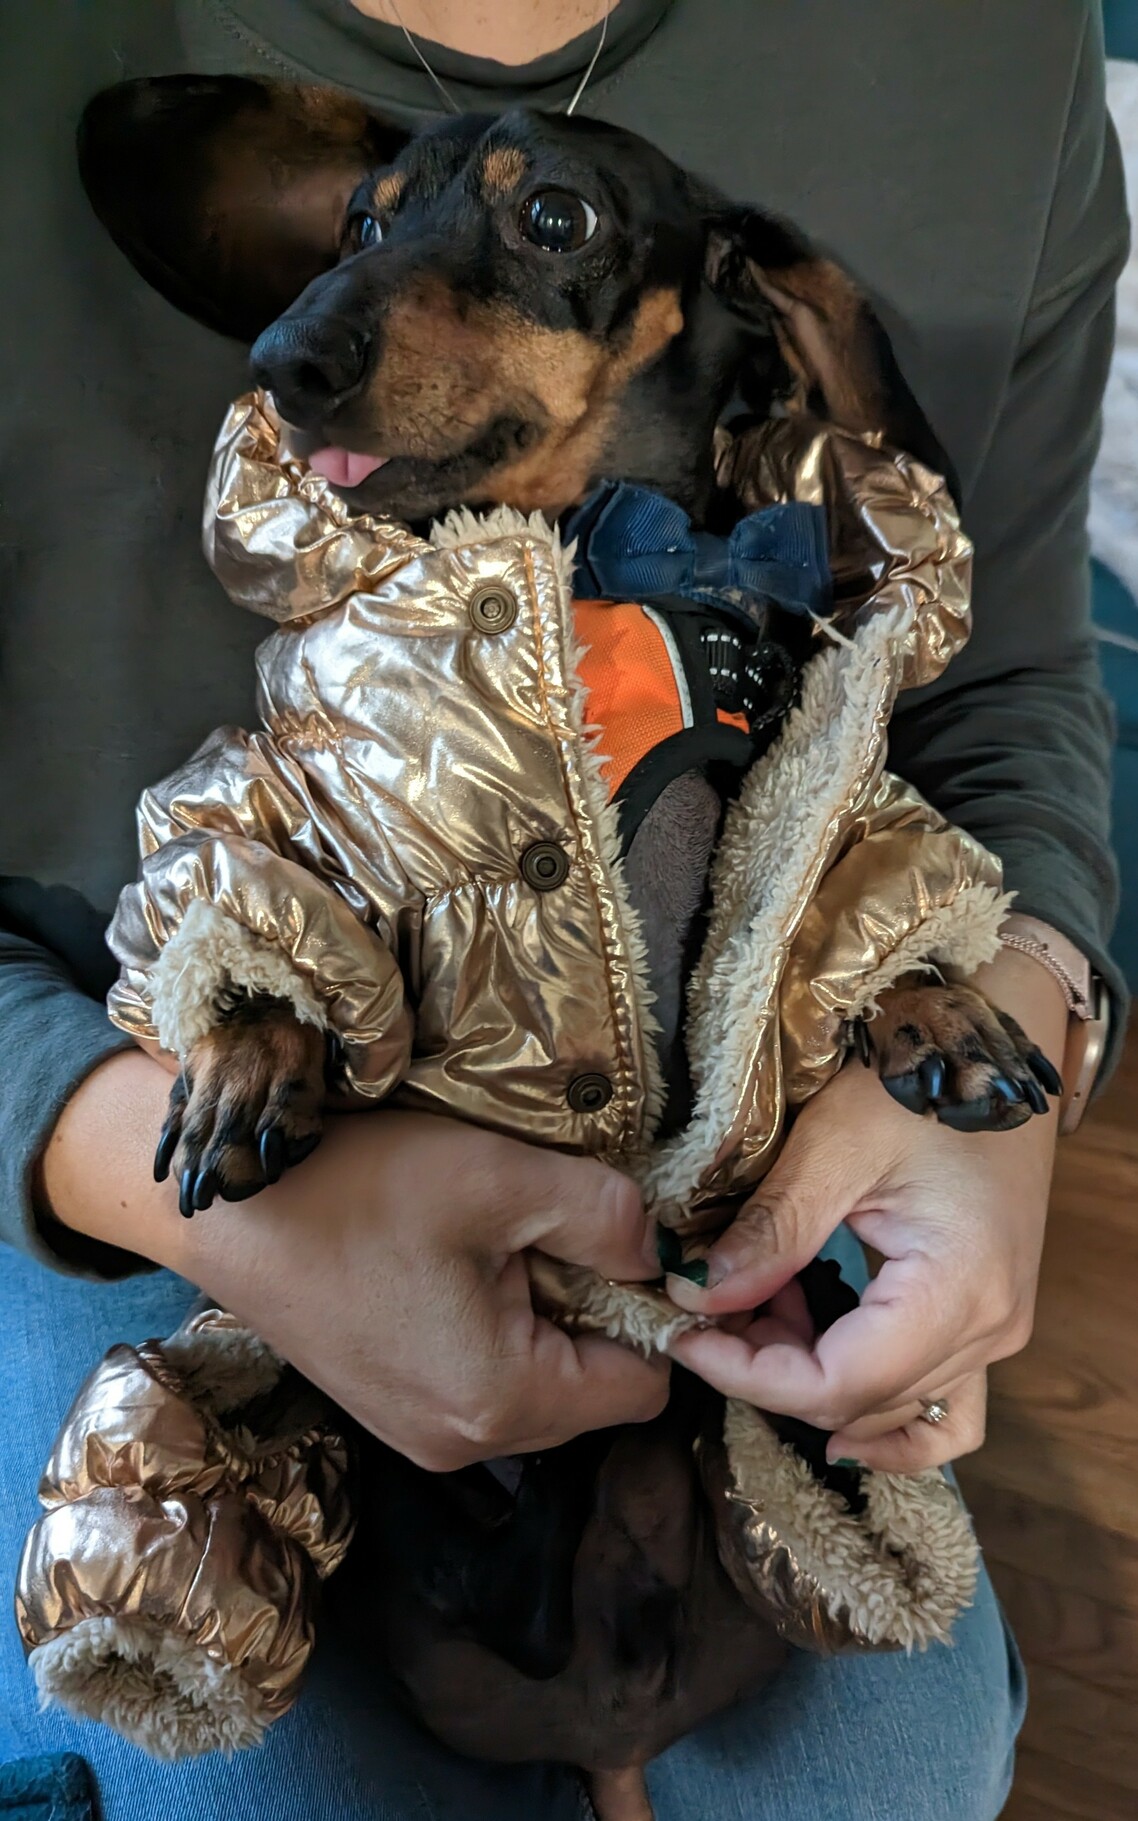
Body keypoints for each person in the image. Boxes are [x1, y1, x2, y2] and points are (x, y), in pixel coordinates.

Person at [0, 3, 1127, 1816]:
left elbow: (976, 704)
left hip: (695, 1240)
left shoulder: (984, 53)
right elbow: (266, 843)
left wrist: (1008, 1004)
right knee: (219, 1728)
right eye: (365, 236)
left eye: (535, 232)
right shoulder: (353, 677)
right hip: (144, 1122)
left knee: (875, 1769)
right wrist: (145, 1146)